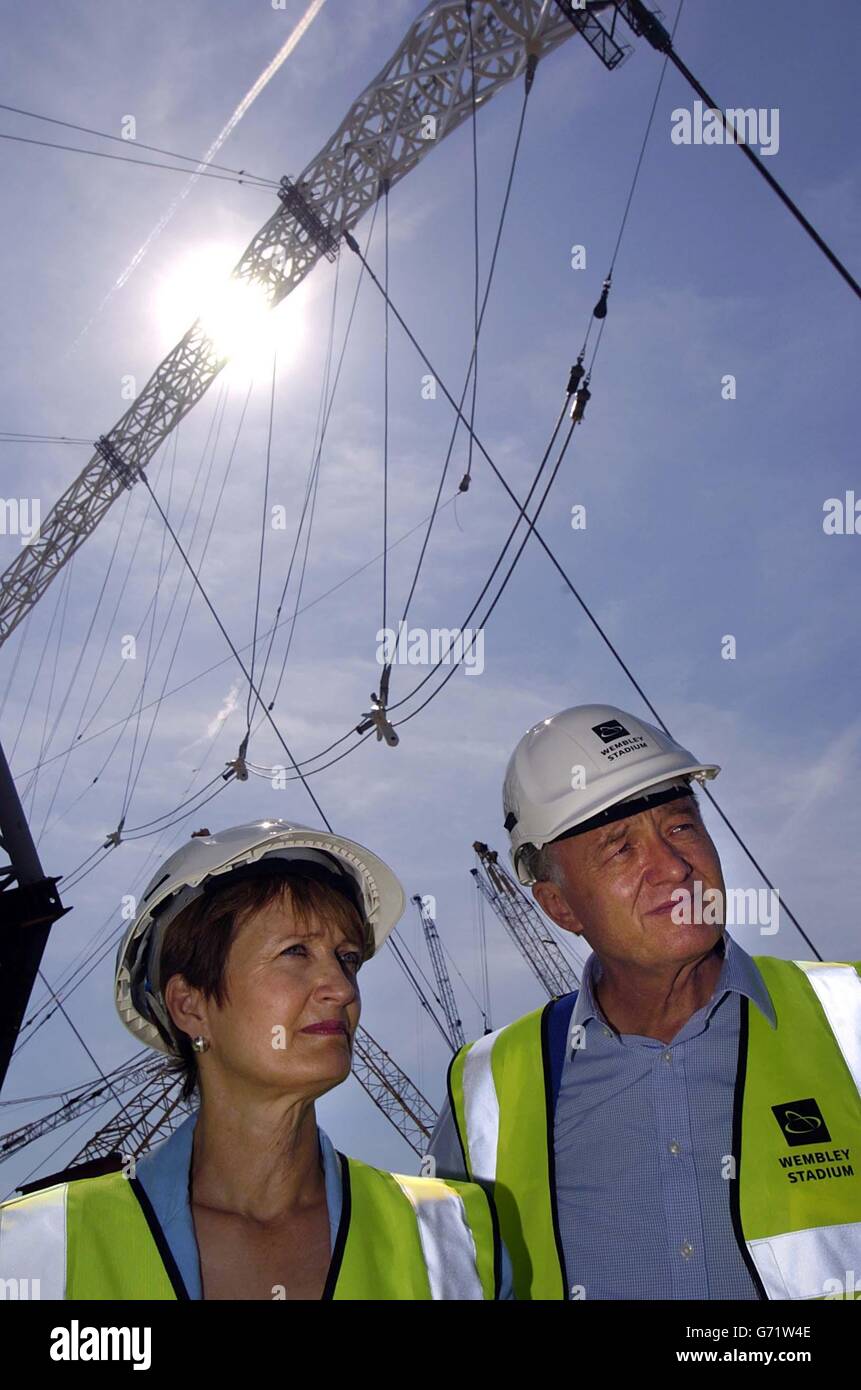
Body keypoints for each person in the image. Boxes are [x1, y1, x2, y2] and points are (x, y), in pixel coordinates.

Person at [429, 705, 861, 1301]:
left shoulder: (849, 1015)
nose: (674, 868)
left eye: (681, 827)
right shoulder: (485, 1090)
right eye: (620, 849)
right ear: (560, 907)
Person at [0, 820, 512, 1300]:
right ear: (190, 1005)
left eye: (347, 958)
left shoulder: (455, 1234)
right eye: (295, 952)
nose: (340, 987)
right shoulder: (30, 1250)